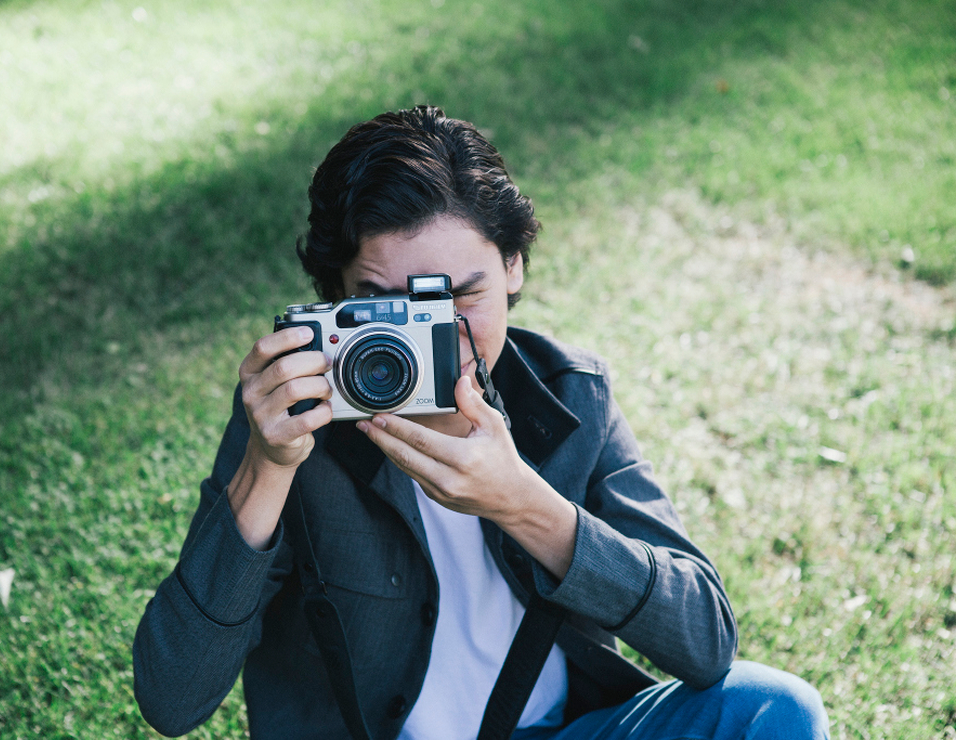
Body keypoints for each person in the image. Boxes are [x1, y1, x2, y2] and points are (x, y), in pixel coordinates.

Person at [132, 105, 830, 740]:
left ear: (512, 267)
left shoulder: (567, 397)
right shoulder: (294, 421)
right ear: (332, 298)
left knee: (774, 709)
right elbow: (173, 699)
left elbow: (705, 642)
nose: (429, 334)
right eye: (382, 305)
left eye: (455, 296)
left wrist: (523, 504)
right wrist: (266, 466)